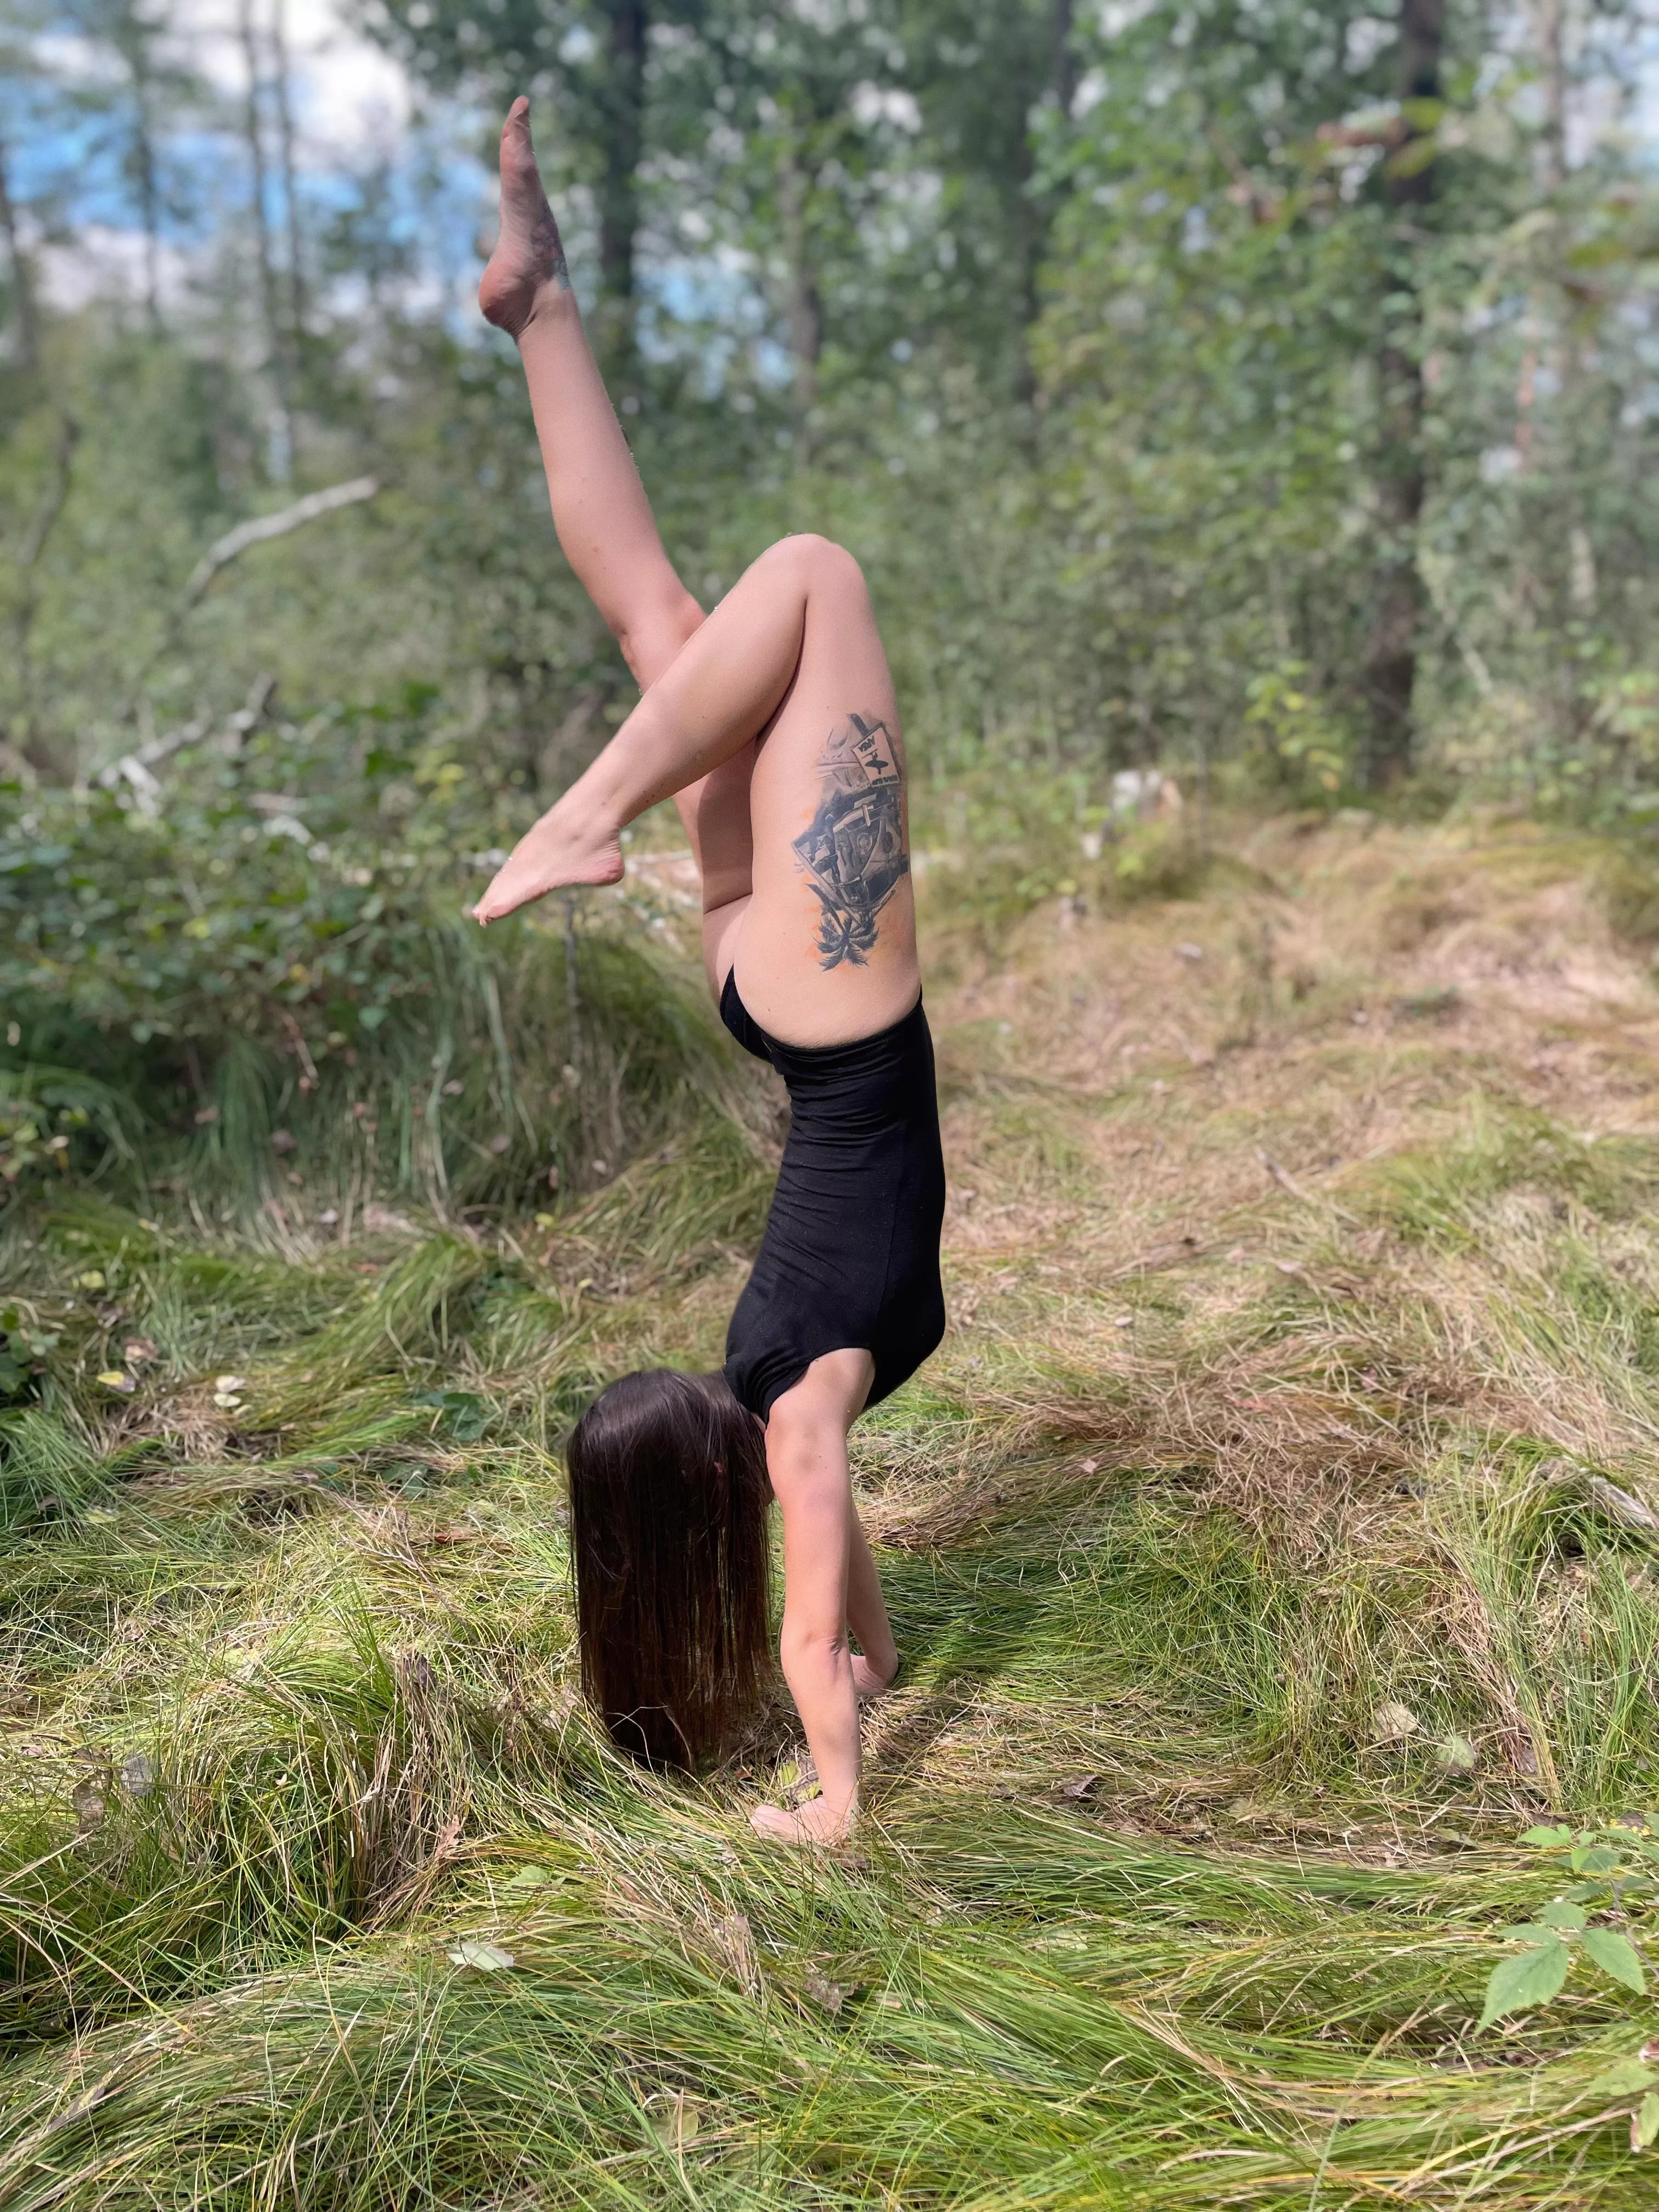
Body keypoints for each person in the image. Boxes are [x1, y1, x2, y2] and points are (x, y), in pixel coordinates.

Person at [472, 99, 946, 1844]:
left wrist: (837, 1753)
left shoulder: (792, 1375)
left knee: (754, 606)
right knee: (720, 614)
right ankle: (542, 313)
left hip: (828, 1027)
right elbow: (827, 1558)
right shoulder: (782, 1385)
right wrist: (846, 1749)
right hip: (788, 1002)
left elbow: (818, 1530)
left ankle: (543, 311)